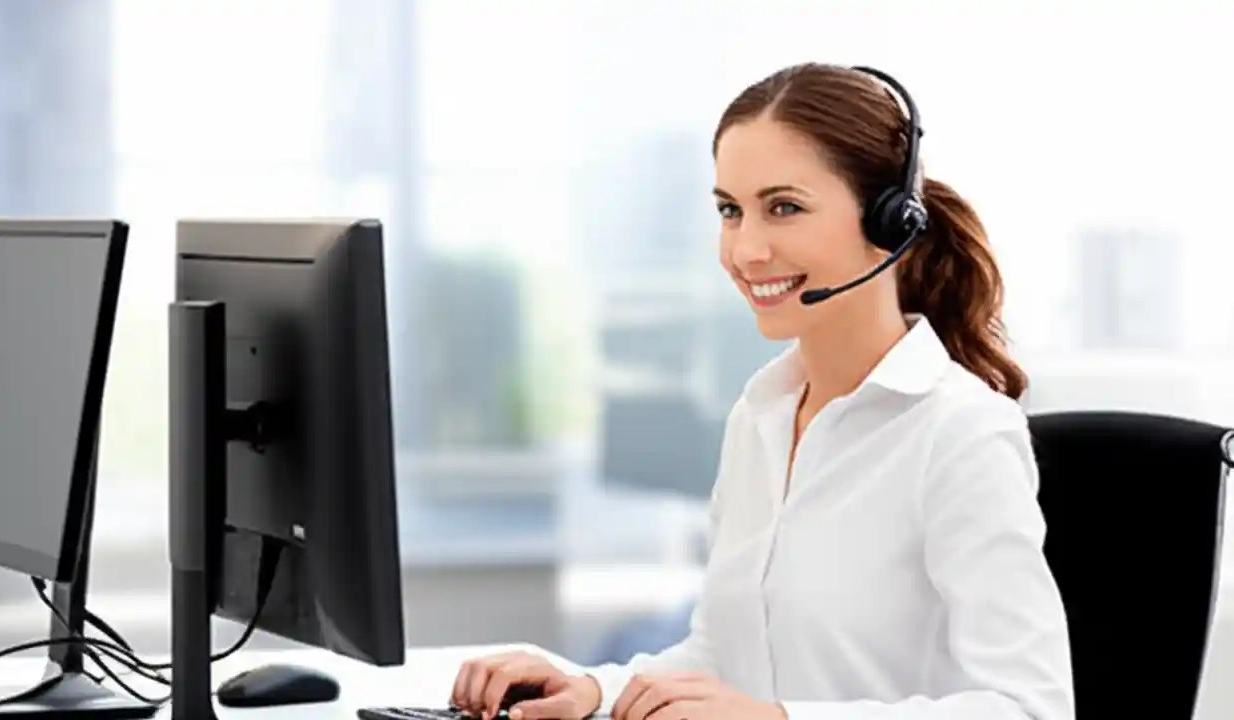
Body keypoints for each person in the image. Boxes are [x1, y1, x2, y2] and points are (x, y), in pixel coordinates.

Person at [448, 62, 1074, 720]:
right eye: (730, 210)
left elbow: (1030, 708)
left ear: (891, 223)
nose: (745, 250)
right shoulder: (762, 414)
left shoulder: (960, 433)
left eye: (784, 208)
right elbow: (723, 654)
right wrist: (594, 690)